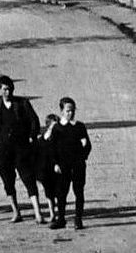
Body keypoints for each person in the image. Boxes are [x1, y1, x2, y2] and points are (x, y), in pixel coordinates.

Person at [0, 75, 43, 223]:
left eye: (10, 89)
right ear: (0, 90)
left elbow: (34, 121)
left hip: (21, 148)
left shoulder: (23, 103)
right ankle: (16, 212)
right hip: (3, 150)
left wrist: (32, 136)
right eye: (5, 89)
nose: (8, 92)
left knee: (28, 177)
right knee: (8, 181)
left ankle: (38, 213)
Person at [49, 97, 92, 230]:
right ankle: (61, 219)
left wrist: (82, 157)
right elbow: (52, 148)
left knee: (79, 192)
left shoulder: (79, 127)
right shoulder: (57, 128)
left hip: (78, 165)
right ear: (61, 111)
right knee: (61, 193)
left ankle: (78, 220)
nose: (70, 113)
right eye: (68, 110)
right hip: (63, 167)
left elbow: (87, 145)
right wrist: (55, 164)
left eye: (72, 110)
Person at [35, 113, 60, 224]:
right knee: (49, 193)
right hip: (44, 170)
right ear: (48, 126)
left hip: (56, 169)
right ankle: (52, 214)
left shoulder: (58, 139)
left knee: (58, 192)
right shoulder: (41, 140)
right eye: (54, 126)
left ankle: (59, 212)